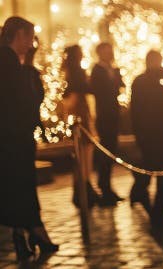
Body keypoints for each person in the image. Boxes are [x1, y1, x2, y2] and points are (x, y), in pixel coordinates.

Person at [0, 16, 59, 261]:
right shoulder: (8, 61)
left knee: (19, 185)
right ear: (20, 35)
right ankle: (33, 229)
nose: (31, 42)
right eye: (30, 36)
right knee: (19, 184)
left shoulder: (13, 62)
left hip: (14, 136)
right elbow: (17, 101)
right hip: (12, 137)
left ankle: (28, 231)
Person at [129, 51, 163, 229]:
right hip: (153, 134)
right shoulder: (145, 82)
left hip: (158, 134)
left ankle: (141, 194)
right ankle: (158, 212)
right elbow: (136, 111)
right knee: (161, 173)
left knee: (152, 170)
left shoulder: (159, 80)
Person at [61, 45, 103, 207]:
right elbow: (84, 89)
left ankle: (82, 188)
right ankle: (84, 189)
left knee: (83, 152)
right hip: (80, 112)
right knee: (84, 152)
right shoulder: (76, 72)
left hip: (78, 111)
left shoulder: (69, 71)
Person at [90, 42, 125, 206]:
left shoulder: (113, 69)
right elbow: (99, 91)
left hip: (113, 114)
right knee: (106, 152)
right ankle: (104, 187)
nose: (110, 53)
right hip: (104, 116)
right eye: (107, 51)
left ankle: (108, 187)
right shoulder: (97, 70)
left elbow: (120, 87)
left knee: (112, 151)